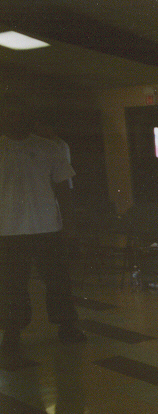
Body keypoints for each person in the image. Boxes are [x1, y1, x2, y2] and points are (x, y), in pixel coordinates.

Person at [1, 101, 86, 369]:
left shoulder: (49, 148)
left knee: (58, 280)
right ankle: (12, 335)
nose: (19, 119)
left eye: (24, 114)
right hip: (8, 230)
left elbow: (64, 188)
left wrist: (69, 225)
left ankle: (67, 325)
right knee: (12, 286)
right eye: (12, 114)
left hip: (47, 226)